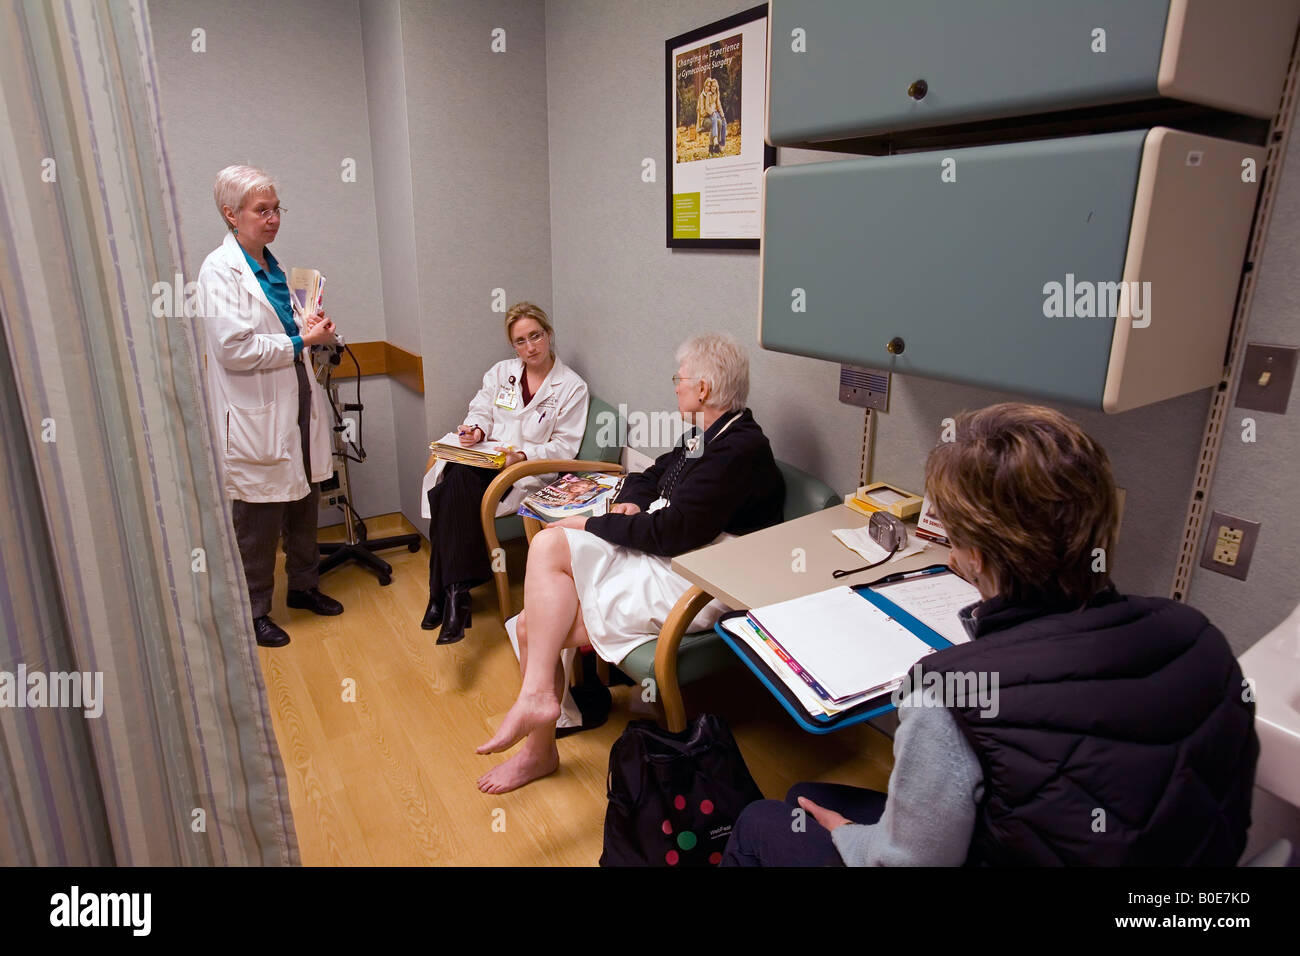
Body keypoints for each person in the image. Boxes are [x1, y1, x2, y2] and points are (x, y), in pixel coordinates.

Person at [722, 403, 1259, 866]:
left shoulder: (948, 694)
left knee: (765, 821)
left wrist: (849, 838)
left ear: (974, 554)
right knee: (806, 797)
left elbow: (906, 863)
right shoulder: (1201, 639)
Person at [476, 333, 785, 793]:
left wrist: (593, 525)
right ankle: (540, 700)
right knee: (548, 545)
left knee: (530, 627)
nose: (675, 387)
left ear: (702, 389)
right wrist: (633, 505)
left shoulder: (740, 450)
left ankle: (539, 746)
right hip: (668, 554)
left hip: (699, 578)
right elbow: (650, 475)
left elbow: (672, 534)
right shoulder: (708, 435)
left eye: (679, 380)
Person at [197, 165, 344, 648]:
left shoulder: (278, 270)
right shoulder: (219, 271)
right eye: (262, 210)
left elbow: (295, 334)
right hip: (256, 414)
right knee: (258, 520)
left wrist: (316, 331)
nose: (273, 218)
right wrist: (301, 337)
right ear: (231, 214)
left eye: (277, 209)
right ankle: (255, 610)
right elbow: (234, 350)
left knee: (304, 501)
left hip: (299, 402)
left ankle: (304, 587)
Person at [419, 303, 588, 645]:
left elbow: (565, 447)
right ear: (513, 345)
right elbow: (481, 409)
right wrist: (476, 432)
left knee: (450, 488)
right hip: (488, 458)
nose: (530, 348)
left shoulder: (571, 387)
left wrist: (523, 455)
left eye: (536, 336)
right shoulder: (502, 374)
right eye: (520, 341)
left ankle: (444, 594)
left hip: (525, 471)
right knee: (455, 477)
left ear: (549, 334)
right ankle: (455, 594)